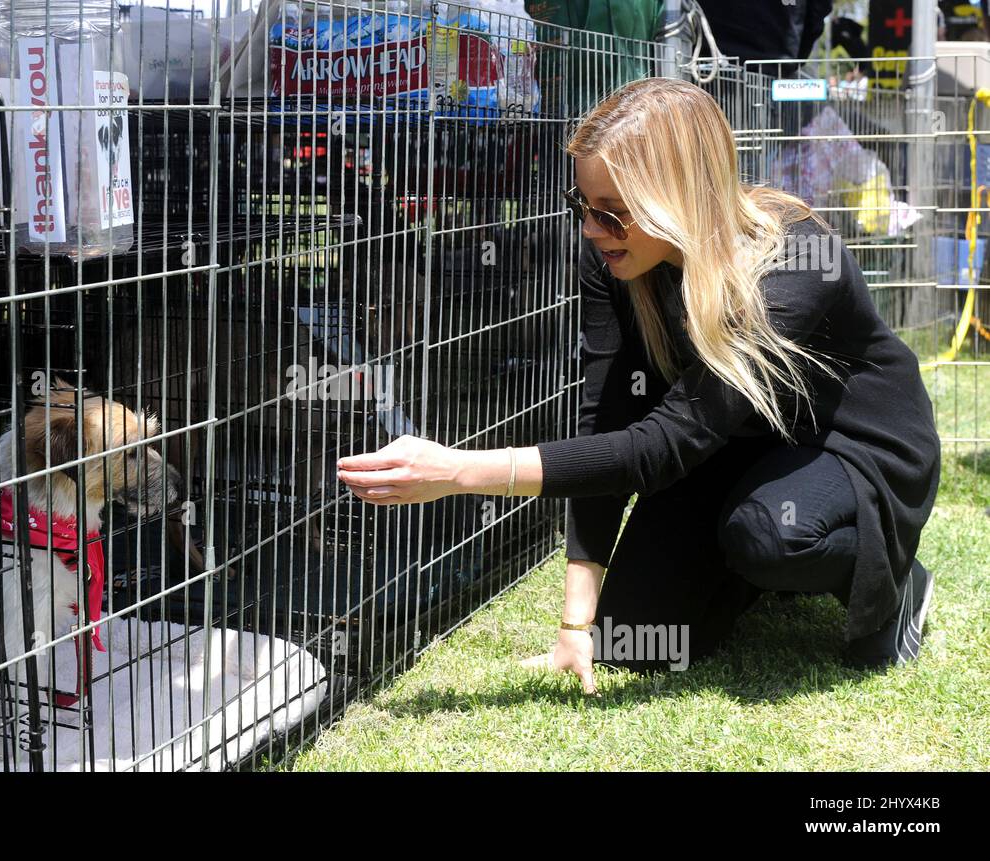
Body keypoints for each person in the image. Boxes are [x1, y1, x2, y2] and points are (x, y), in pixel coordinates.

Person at [335, 78, 941, 694]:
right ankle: (749, 564)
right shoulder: (615, 263)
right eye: (583, 206)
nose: (593, 229)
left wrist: (461, 471)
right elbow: (607, 419)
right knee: (636, 638)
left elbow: (664, 445)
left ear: (673, 199)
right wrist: (578, 619)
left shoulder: (792, 258)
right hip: (736, 443)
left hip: (847, 446)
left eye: (613, 213)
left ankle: (891, 577)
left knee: (766, 536)